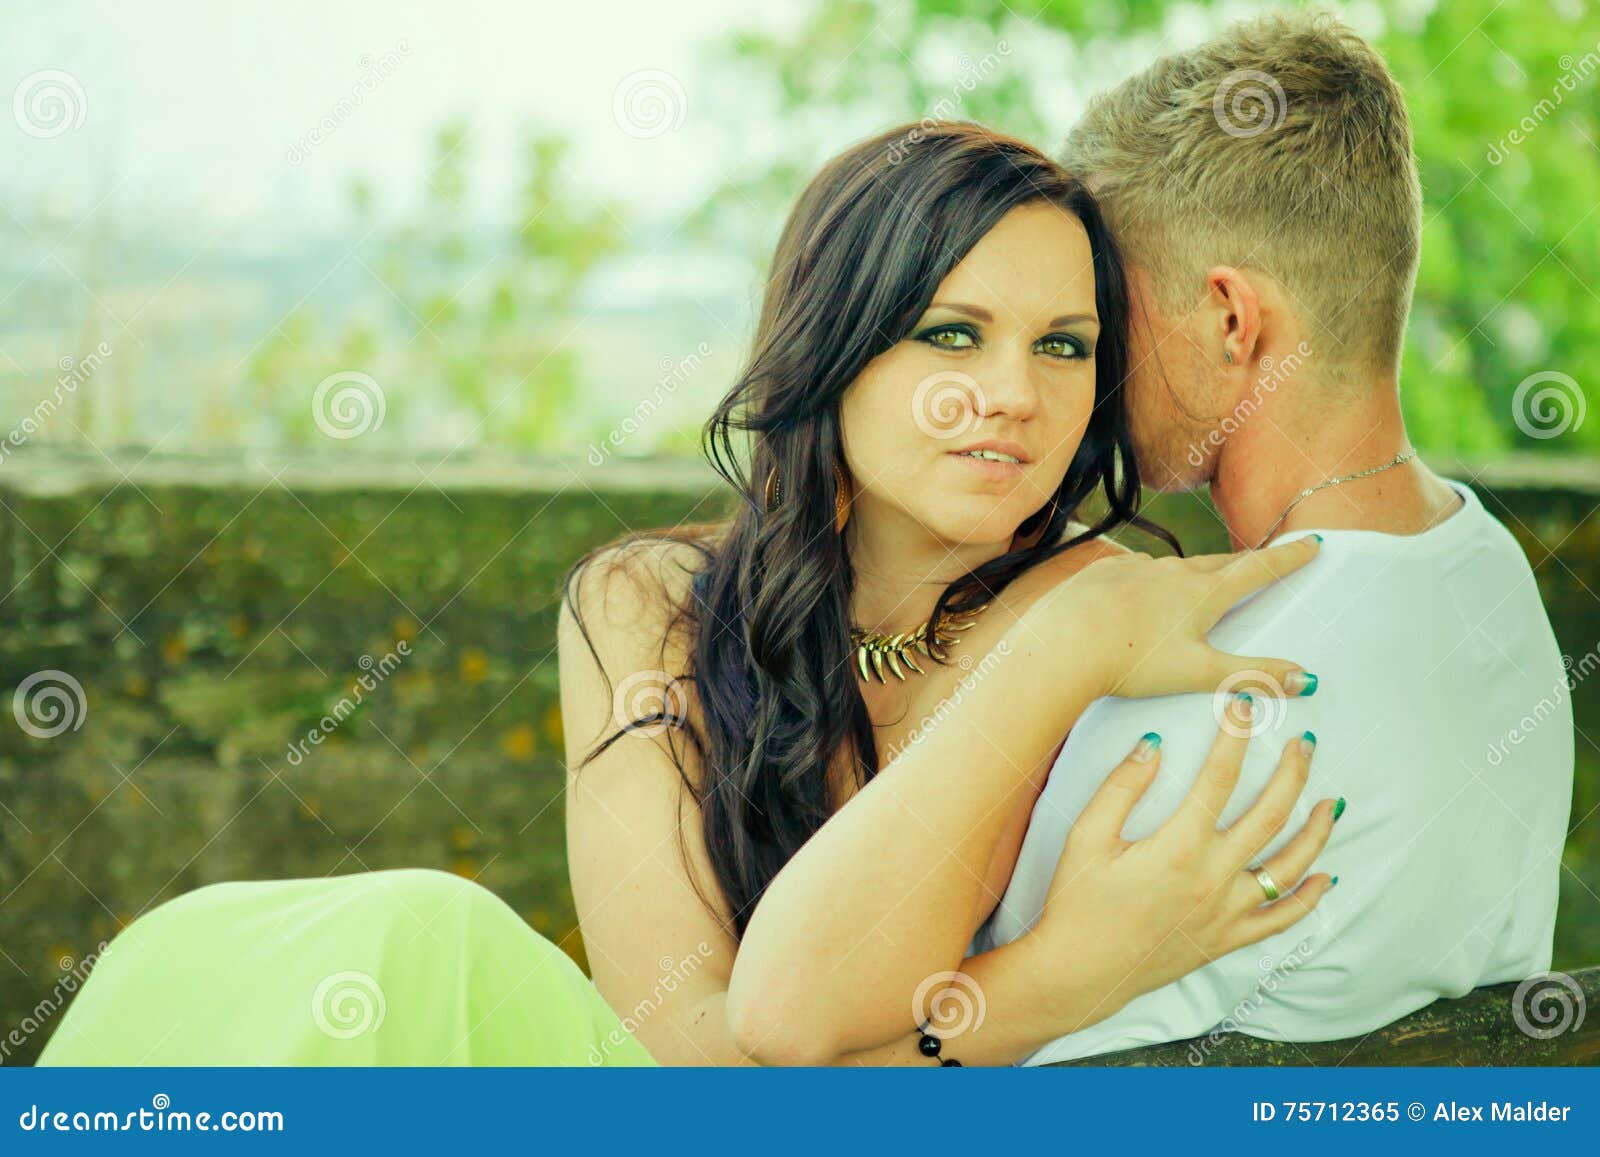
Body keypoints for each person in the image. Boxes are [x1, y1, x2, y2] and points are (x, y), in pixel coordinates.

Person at [40, 122, 1336, 1068]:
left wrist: (1061, 653)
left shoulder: (1106, 612)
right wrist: (1050, 980)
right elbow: (698, 1060)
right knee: (335, 951)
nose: (1013, 394)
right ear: (833, 345)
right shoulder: (645, 601)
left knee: (409, 939)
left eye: (1064, 346)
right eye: (952, 332)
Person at [975, 10, 1574, 1064]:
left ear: (1230, 321)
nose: (1089, 356)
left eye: (1111, 308)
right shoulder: (1485, 569)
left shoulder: (1196, 712)